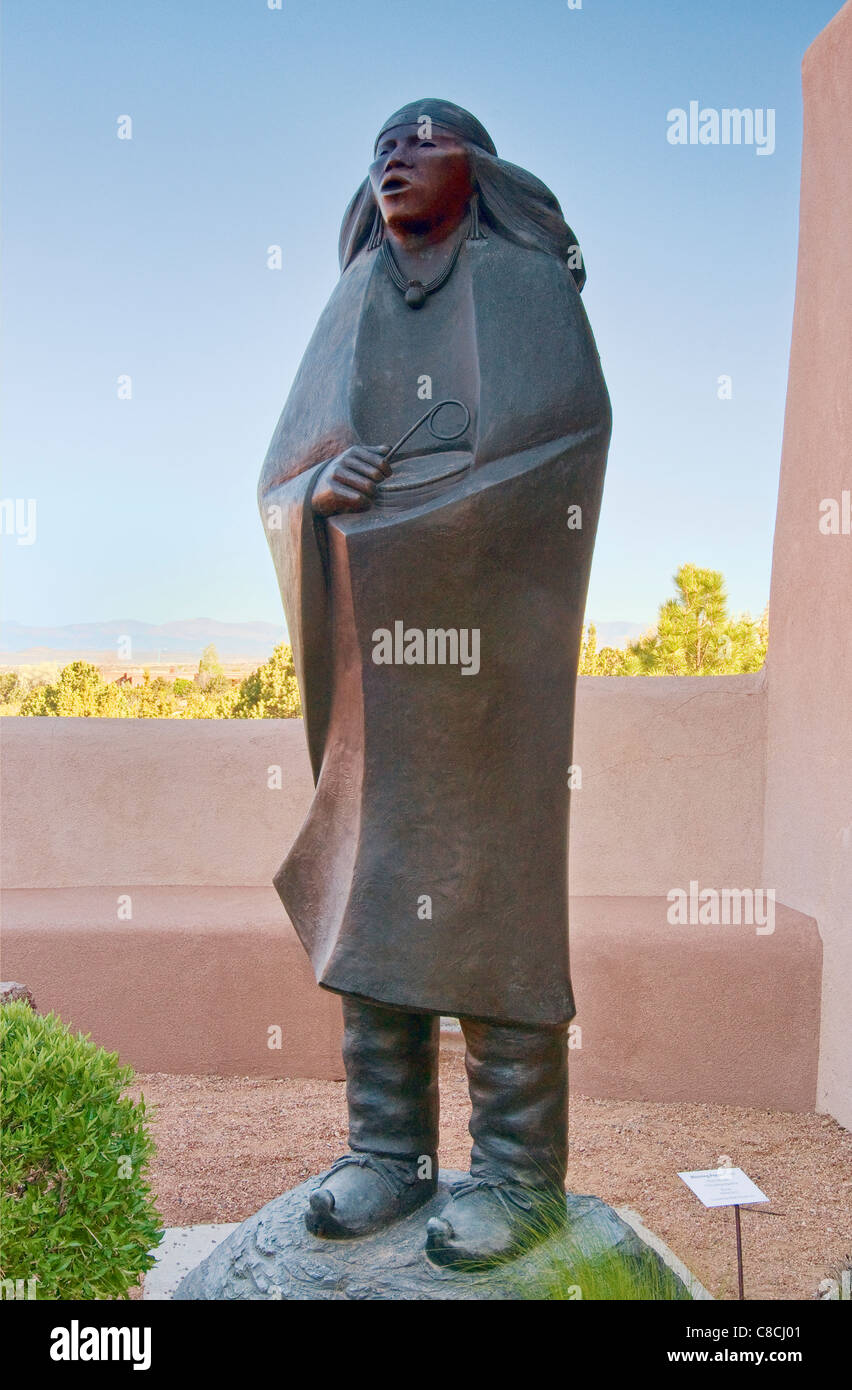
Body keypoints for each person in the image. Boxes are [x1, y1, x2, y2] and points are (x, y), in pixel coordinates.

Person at [258, 98, 611, 1267]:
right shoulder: (354, 296)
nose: (396, 157)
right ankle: (387, 1149)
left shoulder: (524, 285)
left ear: (480, 167)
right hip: (378, 668)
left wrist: (427, 509)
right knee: (373, 881)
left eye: (424, 137)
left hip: (489, 665)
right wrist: (320, 495)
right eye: (382, 146)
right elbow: (284, 477)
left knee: (494, 889)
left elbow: (567, 441)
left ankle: (518, 1171)